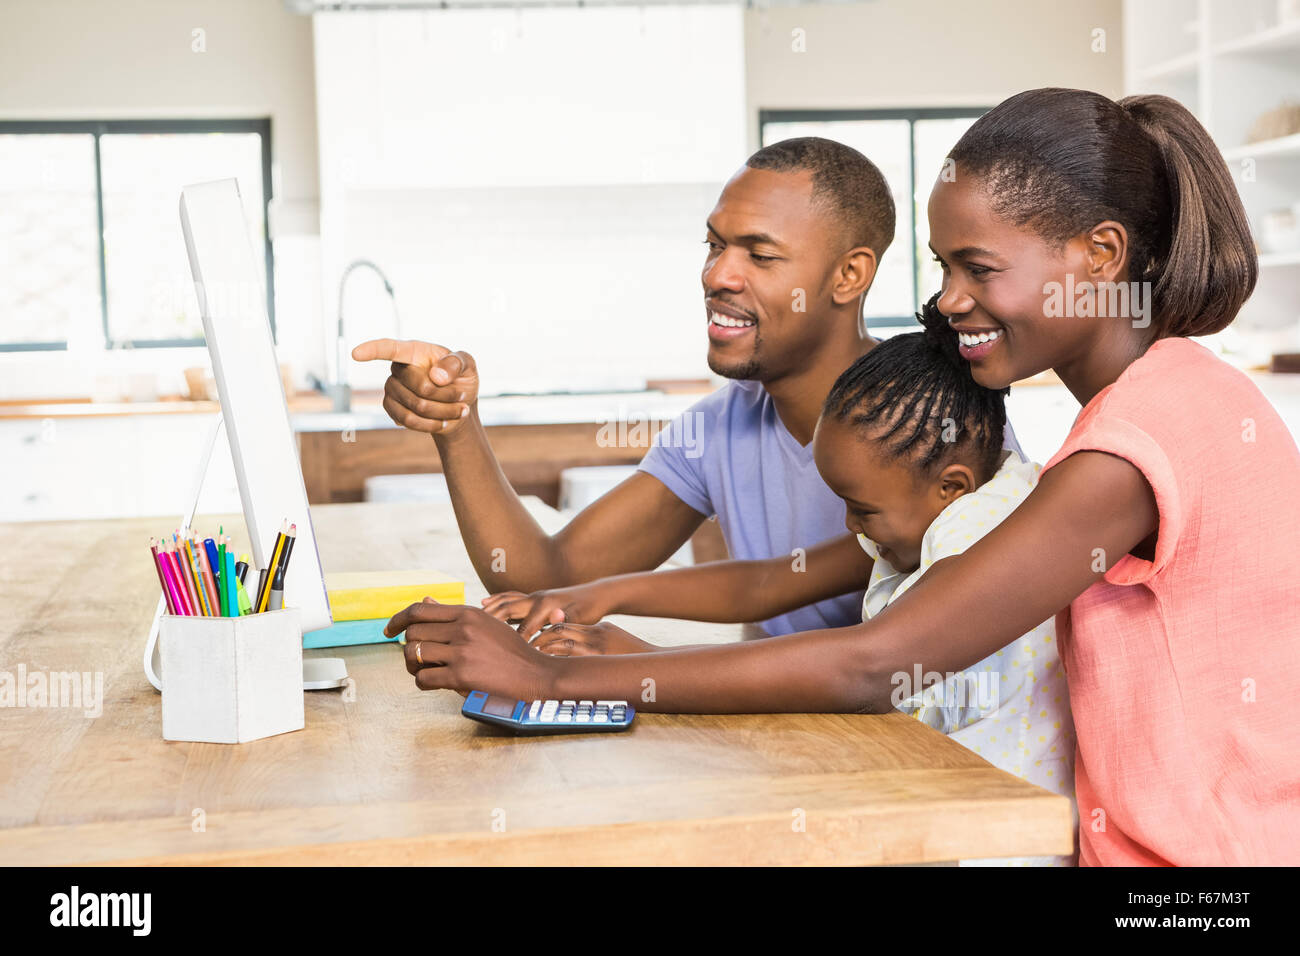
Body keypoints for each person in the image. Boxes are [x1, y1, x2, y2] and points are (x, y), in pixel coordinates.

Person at [387, 88, 1300, 866]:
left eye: (978, 267)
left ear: (1098, 259)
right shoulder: (1139, 413)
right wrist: (600, 642)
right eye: (945, 266)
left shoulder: (1142, 436)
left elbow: (879, 663)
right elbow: (832, 582)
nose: (946, 299)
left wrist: (548, 677)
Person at [486, 304, 1079, 866]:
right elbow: (768, 583)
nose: (851, 526)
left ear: (951, 486)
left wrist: (642, 664)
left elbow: (861, 677)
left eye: (861, 509)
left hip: (990, 844)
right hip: (932, 810)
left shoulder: (977, 532)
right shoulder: (946, 503)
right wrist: (603, 593)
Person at [354, 137, 1021, 637]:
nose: (717, 275)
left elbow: (892, 661)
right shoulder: (718, 429)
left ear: (848, 277)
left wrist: (629, 657)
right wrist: (456, 423)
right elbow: (545, 578)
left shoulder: (937, 420)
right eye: (713, 245)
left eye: (759, 255)